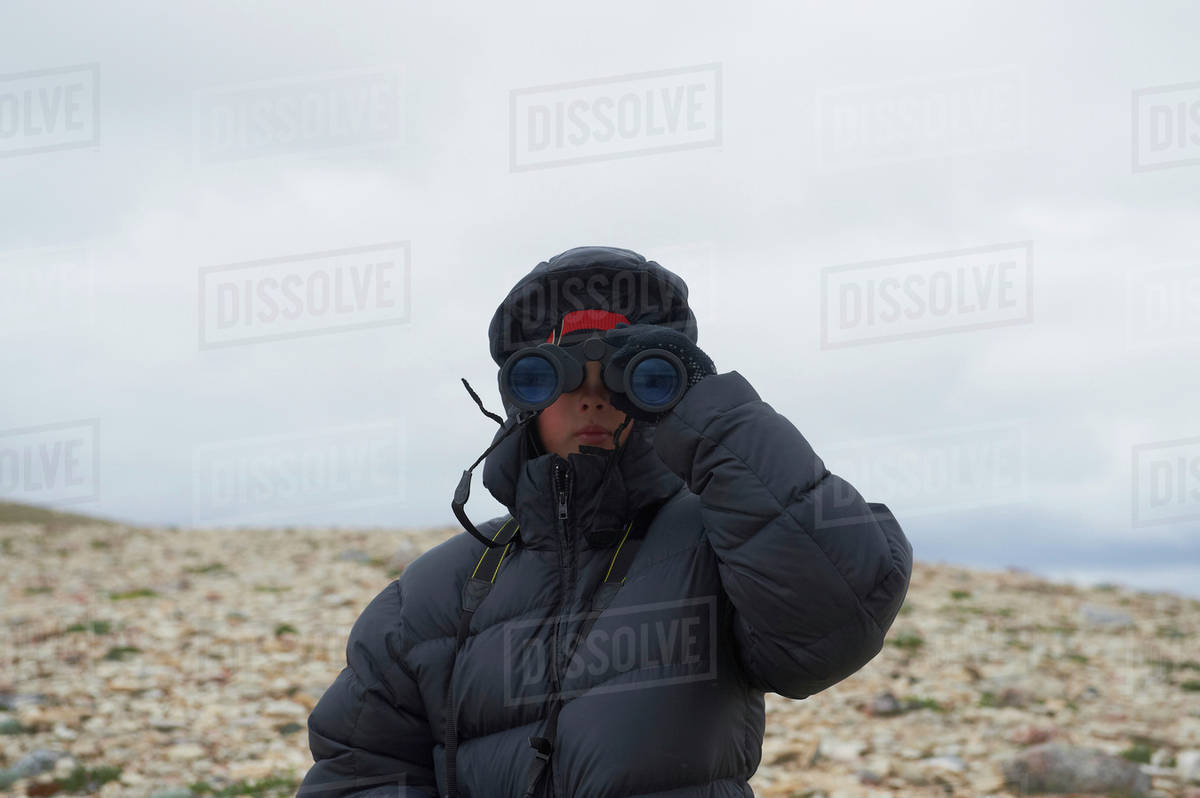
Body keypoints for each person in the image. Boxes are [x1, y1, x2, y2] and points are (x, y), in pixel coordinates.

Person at [298, 245, 913, 797]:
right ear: (521, 400)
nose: (592, 398)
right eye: (554, 374)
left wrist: (711, 414)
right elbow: (361, 770)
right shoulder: (432, 596)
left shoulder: (719, 544)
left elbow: (835, 623)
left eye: (629, 379)